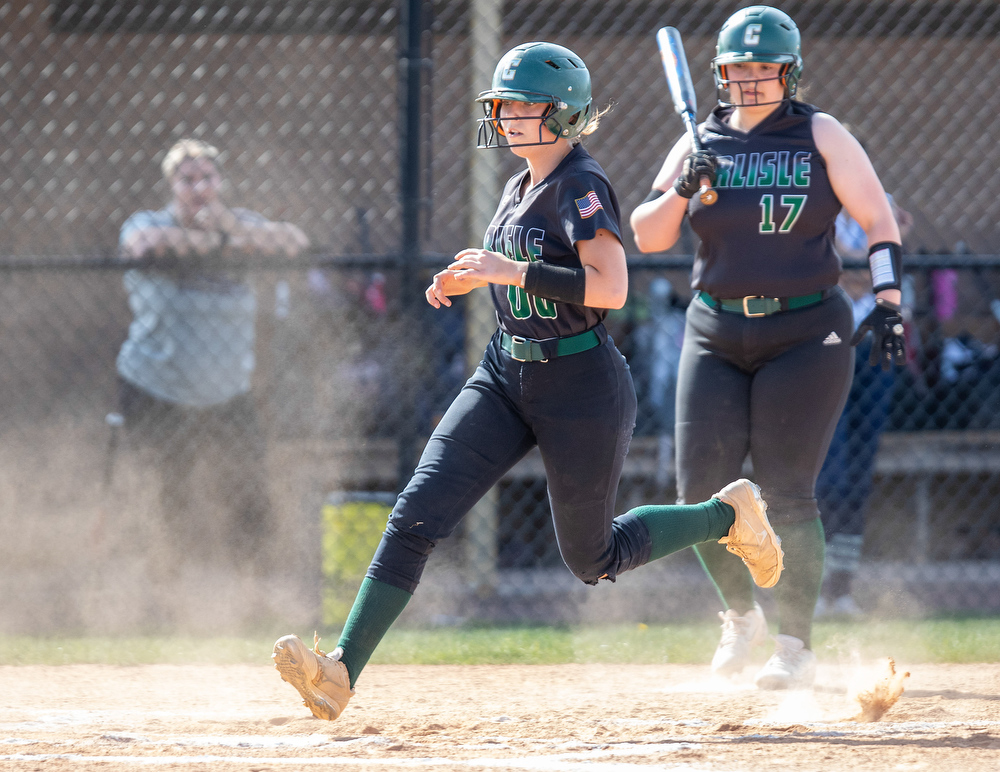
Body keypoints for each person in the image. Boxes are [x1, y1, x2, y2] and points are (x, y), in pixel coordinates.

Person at [271, 41, 783, 721]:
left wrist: (507, 272)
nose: (508, 114)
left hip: (581, 386)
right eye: (503, 103)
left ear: (564, 113)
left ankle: (729, 515)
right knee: (415, 514)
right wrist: (467, 276)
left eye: (524, 104)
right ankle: (339, 672)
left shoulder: (582, 184)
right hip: (505, 374)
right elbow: (512, 266)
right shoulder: (517, 186)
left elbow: (612, 287)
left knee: (594, 558)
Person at [630, 5, 906, 689]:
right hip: (715, 328)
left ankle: (794, 647)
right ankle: (739, 616)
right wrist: (683, 186)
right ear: (720, 75)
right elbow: (647, 234)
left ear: (790, 73)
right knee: (701, 491)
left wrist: (891, 301)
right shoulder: (699, 139)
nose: (750, 80)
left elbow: (877, 219)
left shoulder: (820, 133)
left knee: (787, 491)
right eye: (737, 69)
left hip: (808, 330)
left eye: (765, 69)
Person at [116, 138, 309, 569]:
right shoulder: (147, 222)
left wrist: (227, 228)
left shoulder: (239, 223)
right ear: (171, 185)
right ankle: (166, 587)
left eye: (207, 178)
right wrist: (221, 243)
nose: (199, 187)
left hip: (227, 392)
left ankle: (254, 587)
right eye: (188, 180)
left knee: (249, 494)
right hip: (155, 385)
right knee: (169, 493)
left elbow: (292, 242)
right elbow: (144, 245)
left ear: (221, 182)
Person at [814, 194, 913, 618]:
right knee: (829, 475)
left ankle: (841, 589)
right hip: (831, 345)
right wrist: (869, 259)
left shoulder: (881, 206)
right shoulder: (823, 206)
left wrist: (867, 260)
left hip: (875, 348)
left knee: (858, 476)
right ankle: (814, 587)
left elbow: (880, 270)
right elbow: (846, 270)